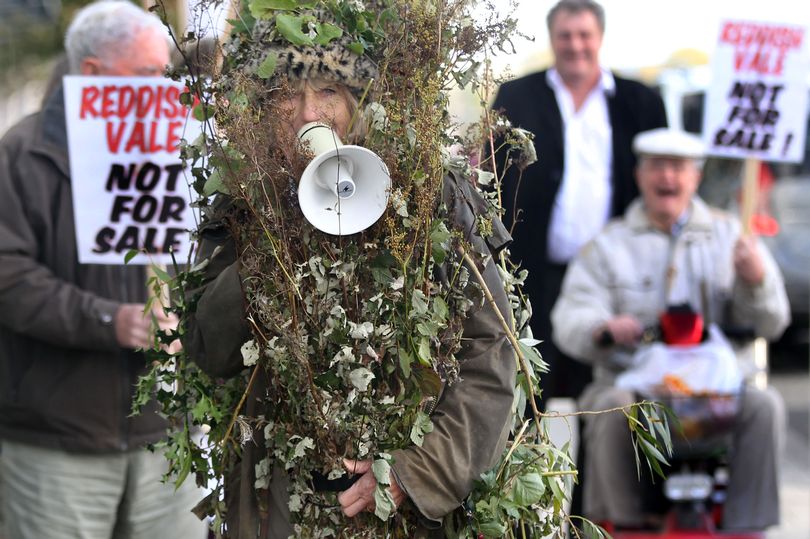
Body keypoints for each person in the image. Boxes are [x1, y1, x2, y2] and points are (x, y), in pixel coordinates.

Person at [182, 10, 517, 539]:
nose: (307, 115)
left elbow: (490, 355)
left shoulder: (432, 193)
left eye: (329, 91)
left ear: (358, 102)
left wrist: (419, 473)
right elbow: (209, 350)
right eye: (285, 95)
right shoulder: (242, 207)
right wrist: (272, 227)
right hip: (279, 506)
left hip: (401, 514)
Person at [0, 2, 207, 538]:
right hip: (56, 445)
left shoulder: (178, 150)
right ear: (92, 75)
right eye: (147, 76)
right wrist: (109, 321)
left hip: (167, 439)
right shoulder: (22, 156)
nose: (163, 91)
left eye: (166, 76)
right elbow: (8, 278)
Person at [551, 127, 790, 531]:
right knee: (609, 408)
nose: (668, 178)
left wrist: (757, 280)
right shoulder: (610, 244)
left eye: (678, 168)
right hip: (639, 393)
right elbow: (568, 319)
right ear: (639, 175)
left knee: (766, 407)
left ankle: (748, 526)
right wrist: (602, 328)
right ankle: (620, 524)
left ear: (695, 176)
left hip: (715, 395)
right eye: (657, 167)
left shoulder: (731, 235)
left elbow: (774, 321)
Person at [491, 0, 668, 403]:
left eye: (584, 35)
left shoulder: (640, 101)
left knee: (610, 395)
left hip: (613, 279)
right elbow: (494, 177)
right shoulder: (517, 96)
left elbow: (662, 175)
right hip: (534, 272)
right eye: (565, 36)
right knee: (526, 388)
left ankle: (603, 469)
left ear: (599, 38)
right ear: (553, 39)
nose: (575, 46)